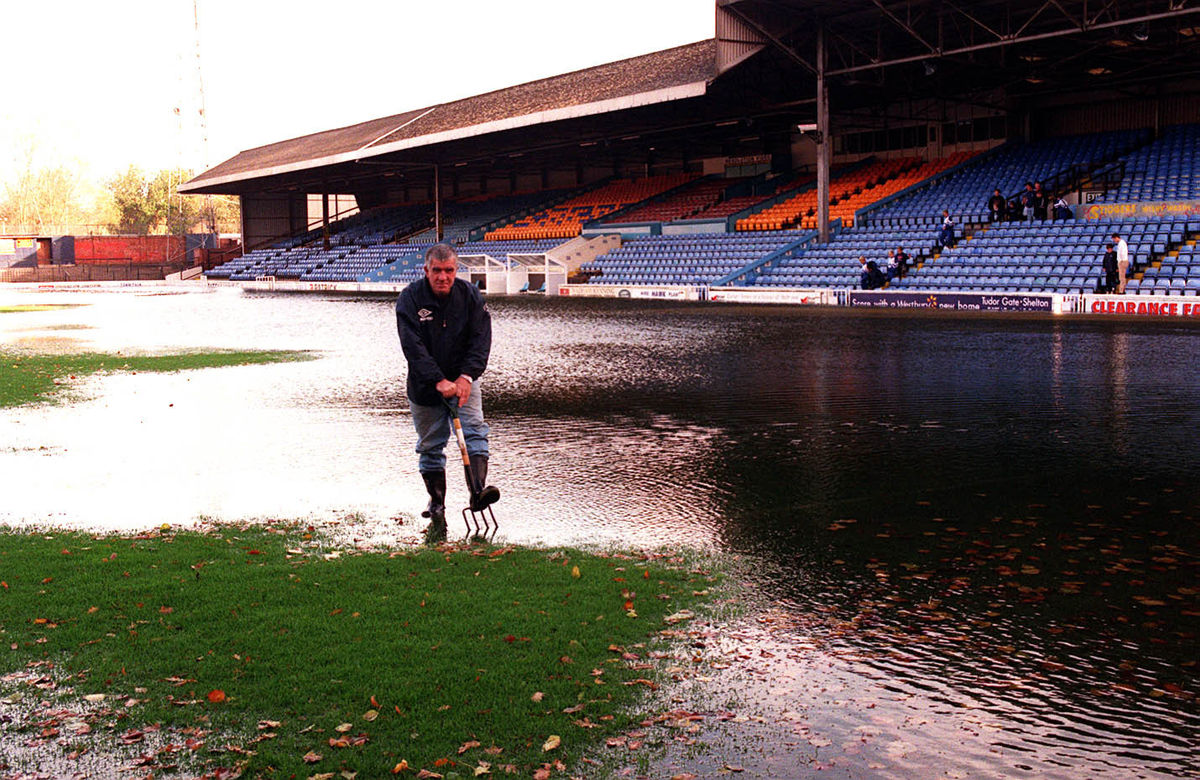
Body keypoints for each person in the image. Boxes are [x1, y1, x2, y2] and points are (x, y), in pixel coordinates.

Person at [396, 243, 496, 541]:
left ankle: (478, 492)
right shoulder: (410, 299)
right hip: (426, 387)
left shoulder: (470, 296)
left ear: (456, 271)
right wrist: (437, 380)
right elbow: (412, 347)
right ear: (426, 271)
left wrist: (466, 377)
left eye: (449, 270)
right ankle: (436, 503)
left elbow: (481, 340)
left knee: (475, 432)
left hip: (464, 381)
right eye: (437, 271)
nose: (443, 277)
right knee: (430, 445)